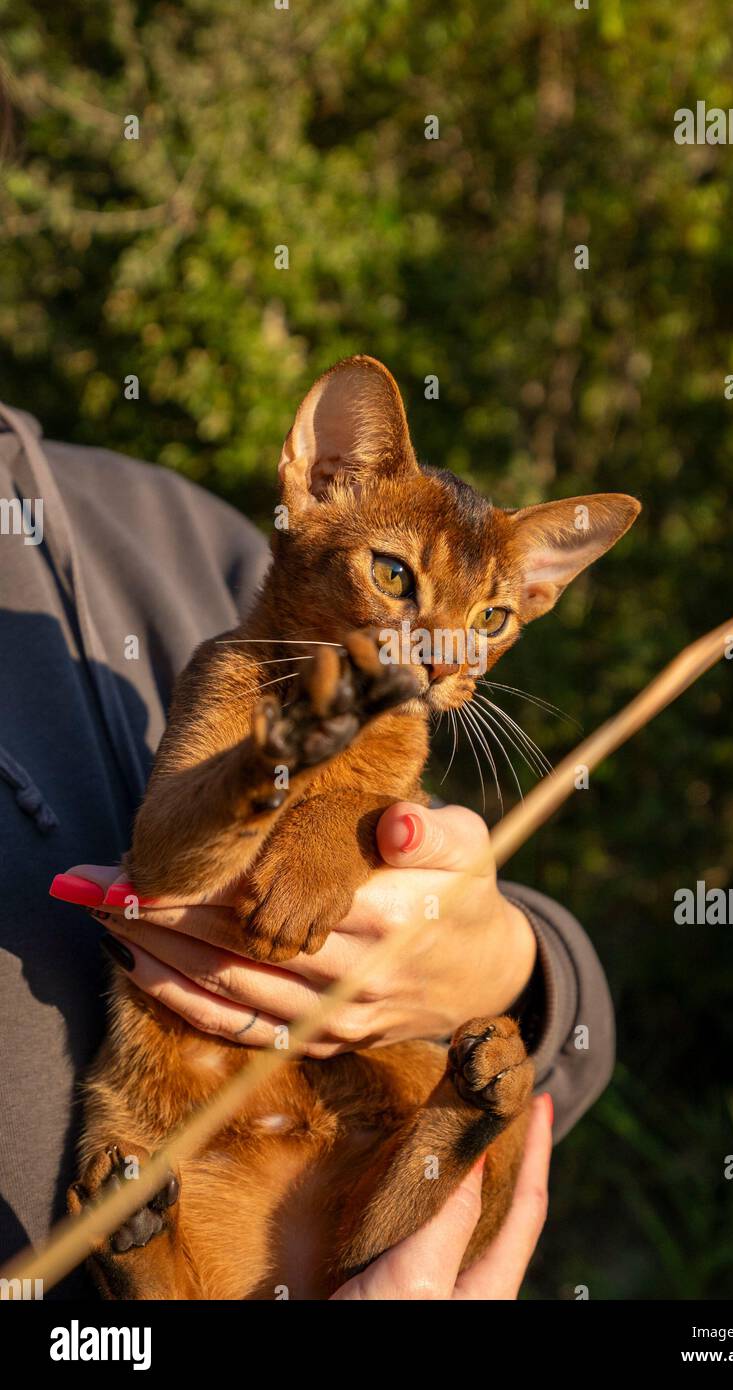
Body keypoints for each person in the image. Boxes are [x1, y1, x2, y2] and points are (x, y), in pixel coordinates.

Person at [0, 401, 615, 1299]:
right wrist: (276, 755)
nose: (443, 652)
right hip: (195, 1146)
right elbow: (170, 863)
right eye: (398, 578)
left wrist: (510, 962)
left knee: (496, 1121)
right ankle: (148, 1263)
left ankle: (457, 1125)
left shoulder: (169, 525)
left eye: (487, 621)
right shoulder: (240, 669)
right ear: (321, 482)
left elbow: (485, 946)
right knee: (127, 1162)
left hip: (358, 1146)